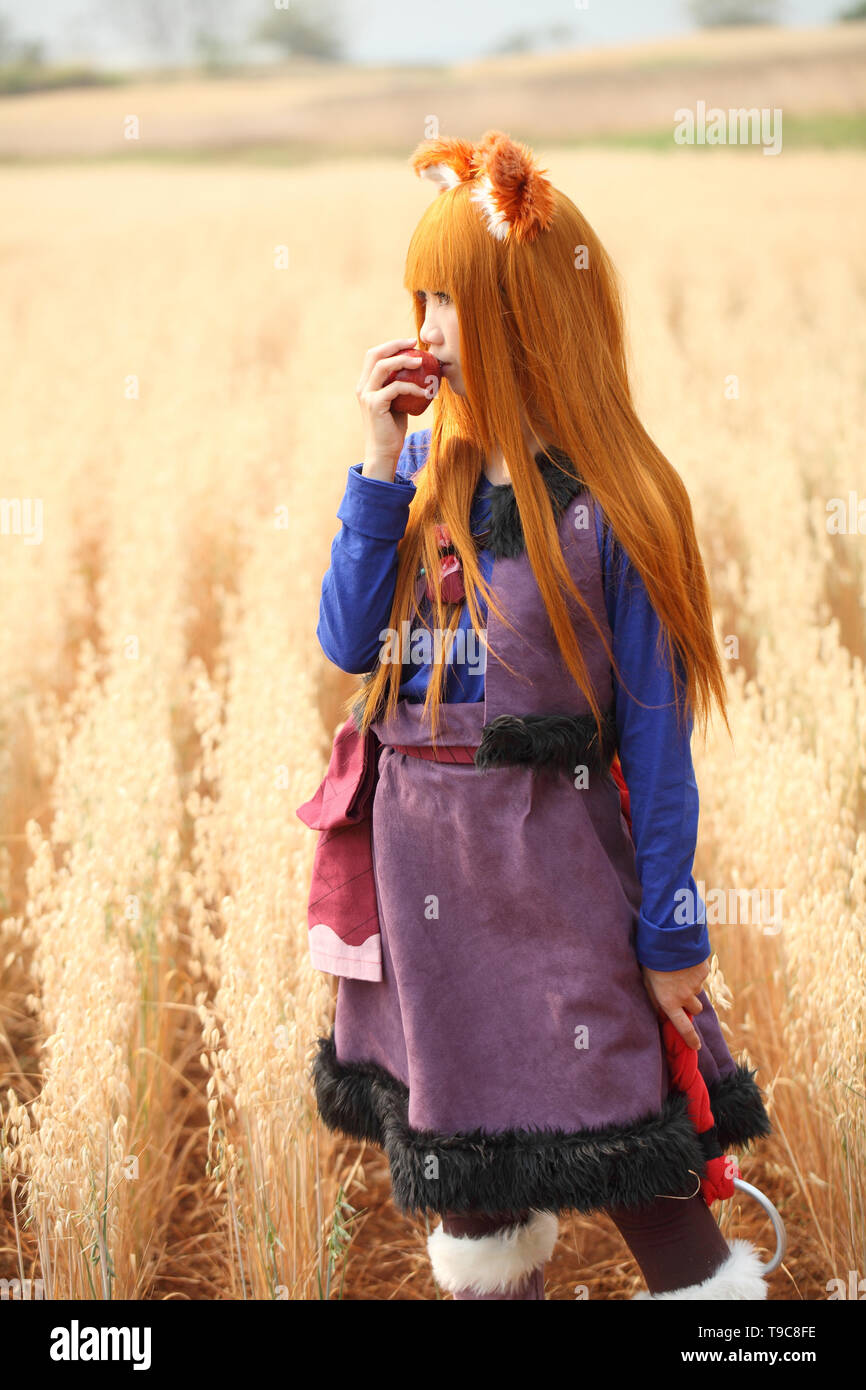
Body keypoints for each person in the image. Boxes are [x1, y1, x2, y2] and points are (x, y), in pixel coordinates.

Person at [307, 130, 772, 1300]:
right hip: (429, 896)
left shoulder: (615, 510)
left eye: (447, 300)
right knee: (469, 1182)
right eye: (415, 296)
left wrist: (670, 936)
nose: (421, 329)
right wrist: (377, 461)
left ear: (524, 312)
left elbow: (657, 752)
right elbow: (346, 644)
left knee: (639, 1157)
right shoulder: (431, 484)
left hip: (555, 885)